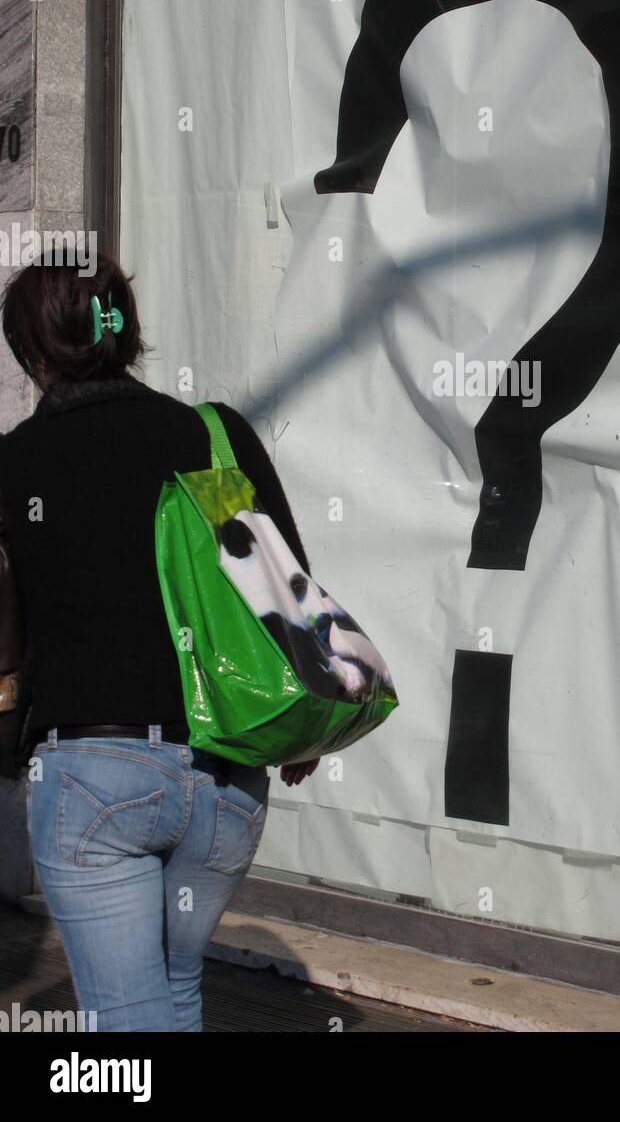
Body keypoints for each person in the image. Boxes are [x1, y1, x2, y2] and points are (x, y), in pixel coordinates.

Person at [0, 250, 319, 1032]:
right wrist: (304, 724)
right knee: (173, 994)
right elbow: (291, 590)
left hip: (89, 778)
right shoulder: (216, 436)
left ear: (34, 354)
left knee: (126, 1026)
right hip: (228, 779)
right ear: (127, 329)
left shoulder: (13, 462)